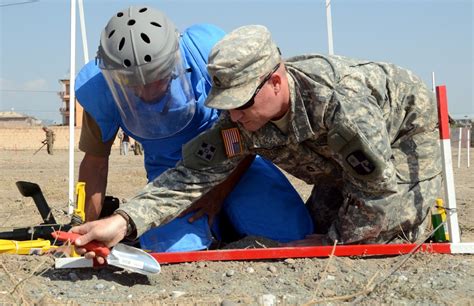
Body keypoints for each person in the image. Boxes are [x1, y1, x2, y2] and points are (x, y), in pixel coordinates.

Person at [72, 24, 443, 258]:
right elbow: (190, 175)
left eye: (241, 103)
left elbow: (377, 186)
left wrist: (336, 242)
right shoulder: (244, 114)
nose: (232, 117)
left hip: (401, 135)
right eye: (226, 106)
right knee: (305, 231)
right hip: (339, 156)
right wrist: (122, 222)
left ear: (276, 82)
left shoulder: (343, 105)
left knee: (380, 236)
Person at [74, 9, 312, 252]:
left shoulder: (207, 52)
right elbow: (95, 164)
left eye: (156, 78)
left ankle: (227, 222)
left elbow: (248, 129)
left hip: (233, 159)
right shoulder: (98, 90)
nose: (146, 93)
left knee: (291, 236)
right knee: (172, 251)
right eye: (133, 84)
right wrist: (85, 232)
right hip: (171, 176)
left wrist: (218, 194)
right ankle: (214, 230)